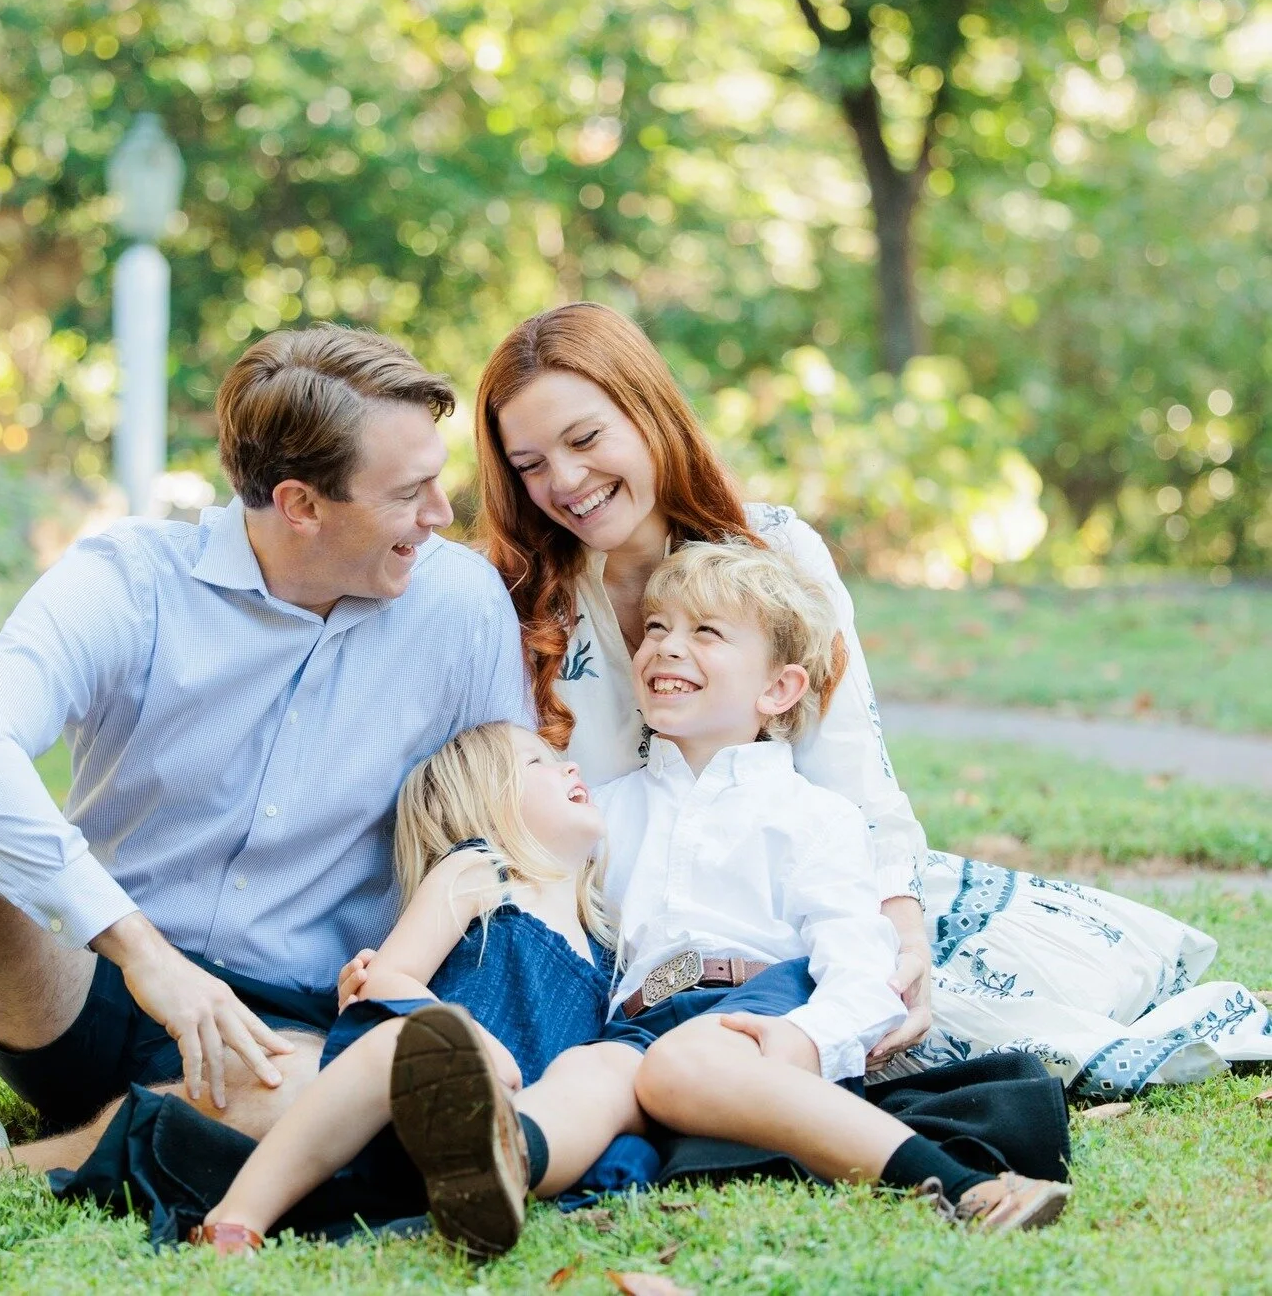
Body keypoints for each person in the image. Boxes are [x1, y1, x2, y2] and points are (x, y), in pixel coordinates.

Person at [474, 301, 1272, 1096]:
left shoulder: (773, 550)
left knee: (952, 1008)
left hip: (795, 889)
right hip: (628, 936)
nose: (564, 481)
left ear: (649, 413)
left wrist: (899, 926)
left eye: (585, 439)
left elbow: (850, 766)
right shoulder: (512, 603)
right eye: (530, 463)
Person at [0, 324, 531, 1184]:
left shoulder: (460, 604)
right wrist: (143, 954)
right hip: (86, 988)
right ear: (300, 505)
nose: (438, 514)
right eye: (408, 492)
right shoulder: (132, 579)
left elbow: (509, 825)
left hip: (282, 1035)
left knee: (332, 1095)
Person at [393, 541, 1071, 1255]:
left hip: (763, 1008)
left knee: (681, 1064)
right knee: (588, 1071)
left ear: (777, 689)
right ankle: (496, 1164)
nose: (666, 646)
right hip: (638, 1020)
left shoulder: (812, 815)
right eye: (657, 628)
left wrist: (811, 1037)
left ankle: (967, 1185)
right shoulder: (605, 810)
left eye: (705, 632)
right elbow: (534, 884)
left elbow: (858, 959)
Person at [186, 720, 623, 1256]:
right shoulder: (483, 870)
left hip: (495, 1145)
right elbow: (389, 977)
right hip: (421, 1100)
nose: (571, 767)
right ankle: (235, 1219)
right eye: (538, 763)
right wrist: (467, 1046)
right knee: (395, 1045)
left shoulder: (602, 945)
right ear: (486, 801)